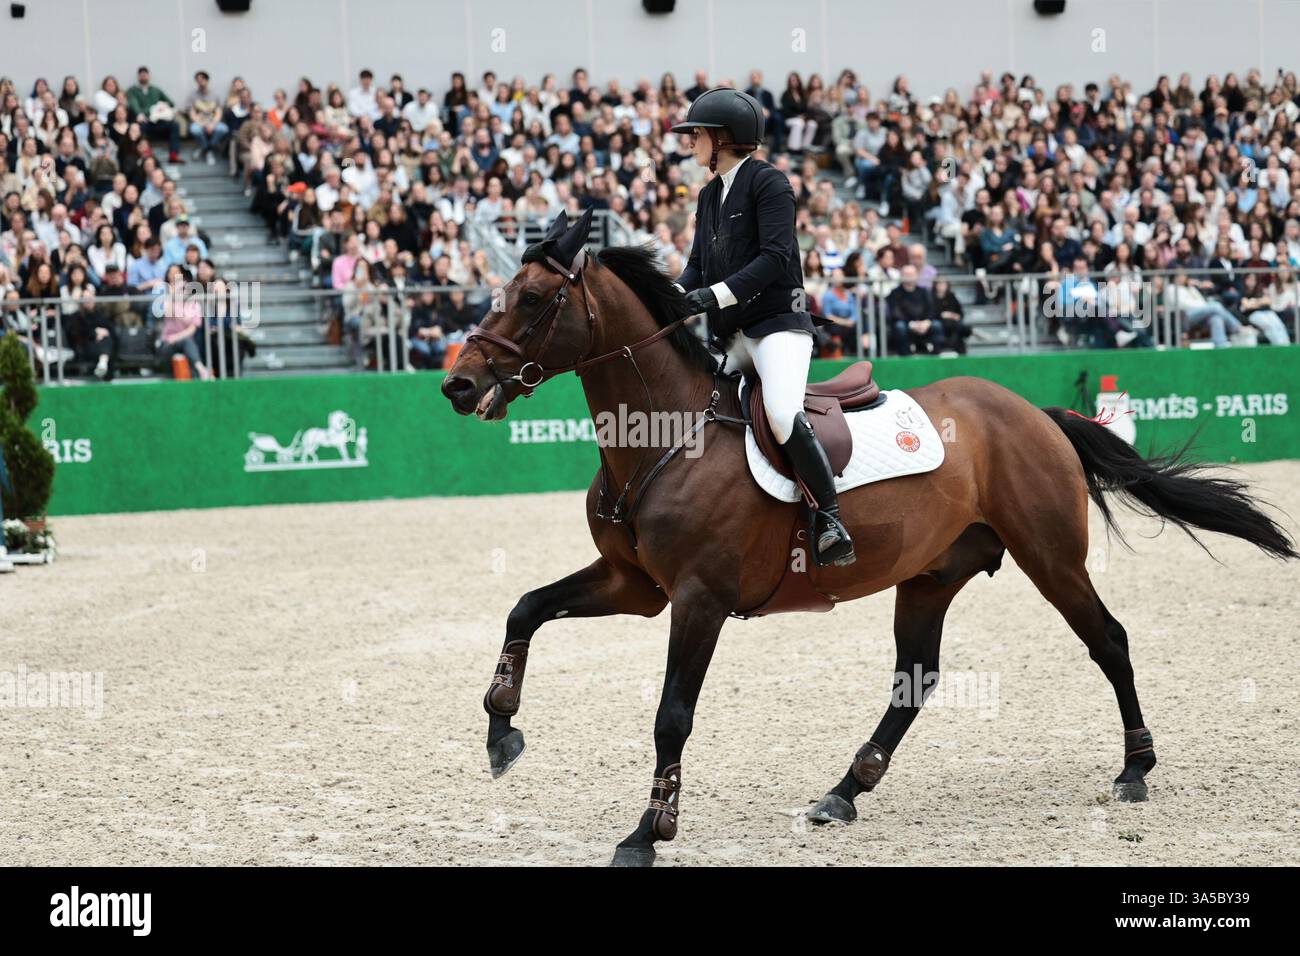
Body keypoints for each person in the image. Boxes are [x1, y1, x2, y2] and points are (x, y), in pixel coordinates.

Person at [671, 87, 853, 567]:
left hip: (776, 327)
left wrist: (712, 296)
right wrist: (670, 295)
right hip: (733, 336)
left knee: (778, 410)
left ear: (723, 137)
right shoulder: (710, 194)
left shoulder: (770, 183)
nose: (690, 142)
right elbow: (696, 265)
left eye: (697, 134)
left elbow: (774, 258)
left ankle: (830, 519)